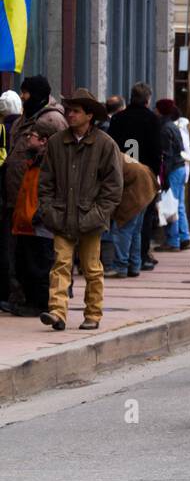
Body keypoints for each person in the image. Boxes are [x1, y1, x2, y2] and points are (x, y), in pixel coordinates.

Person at [38, 89, 123, 331]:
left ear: (89, 115)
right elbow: (45, 182)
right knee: (60, 264)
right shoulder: (56, 142)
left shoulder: (105, 145)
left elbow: (114, 187)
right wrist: (48, 210)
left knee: (92, 268)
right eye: (68, 110)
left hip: (90, 218)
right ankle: (57, 312)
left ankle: (93, 314)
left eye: (75, 111)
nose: (70, 114)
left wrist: (98, 214)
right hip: (61, 216)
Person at [0, 77, 67, 309]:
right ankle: (20, 296)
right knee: (20, 252)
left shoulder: (52, 119)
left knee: (39, 254)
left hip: (37, 198)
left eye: (26, 92)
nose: (22, 96)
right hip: (18, 195)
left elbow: (61, 157)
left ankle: (41, 301)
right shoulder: (23, 119)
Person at [108, 84, 162, 271]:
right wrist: (155, 175)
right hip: (145, 175)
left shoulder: (118, 119)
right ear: (148, 99)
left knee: (123, 221)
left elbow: (111, 147)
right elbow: (157, 151)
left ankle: (123, 263)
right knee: (141, 223)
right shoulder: (153, 120)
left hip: (122, 174)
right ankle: (137, 260)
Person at [8, 124, 55, 315]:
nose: (27, 139)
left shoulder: (48, 163)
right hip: (27, 222)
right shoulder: (34, 161)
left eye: (31, 136)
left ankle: (40, 305)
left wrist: (41, 213)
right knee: (26, 265)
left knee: (39, 267)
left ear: (43, 140)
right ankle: (30, 302)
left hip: (39, 223)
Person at [106, 153, 159, 278]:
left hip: (137, 189)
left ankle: (121, 266)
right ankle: (134, 265)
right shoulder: (112, 153)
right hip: (146, 186)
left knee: (121, 229)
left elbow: (111, 186)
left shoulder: (105, 158)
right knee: (135, 231)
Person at [155, 99, 190, 251]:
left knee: (170, 204)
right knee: (179, 204)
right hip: (180, 167)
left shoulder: (164, 128)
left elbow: (167, 154)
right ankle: (184, 236)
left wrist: (164, 176)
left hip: (173, 169)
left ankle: (173, 241)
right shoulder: (173, 126)